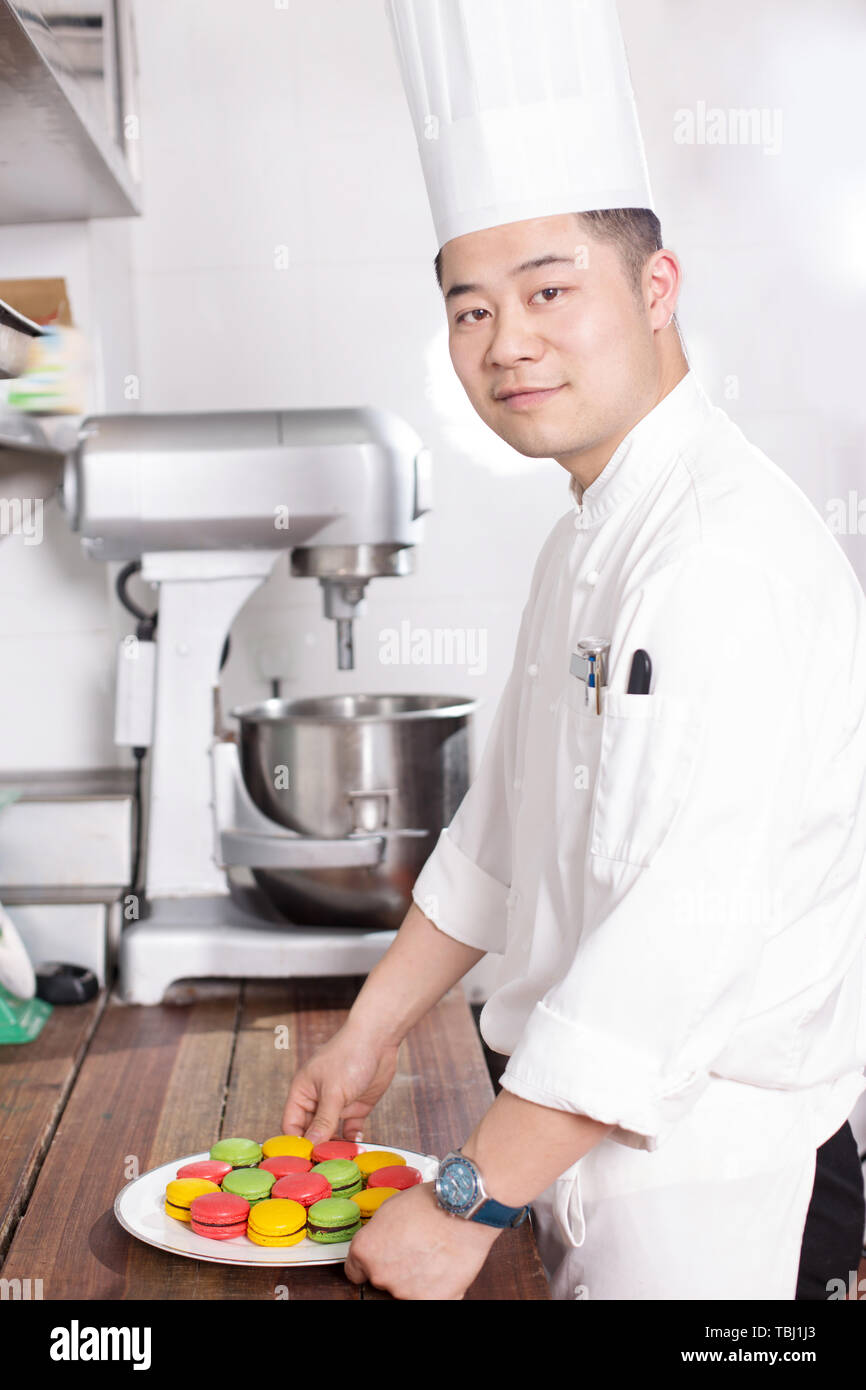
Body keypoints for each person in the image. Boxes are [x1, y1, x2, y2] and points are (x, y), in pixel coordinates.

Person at [281, 2, 866, 1298]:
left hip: (719, 1183)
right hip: (577, 1146)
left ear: (654, 288)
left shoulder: (719, 553)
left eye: (548, 291)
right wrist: (374, 1029)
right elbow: (510, 827)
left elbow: (683, 929)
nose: (509, 343)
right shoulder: (592, 530)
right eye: (470, 309)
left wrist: (462, 1197)